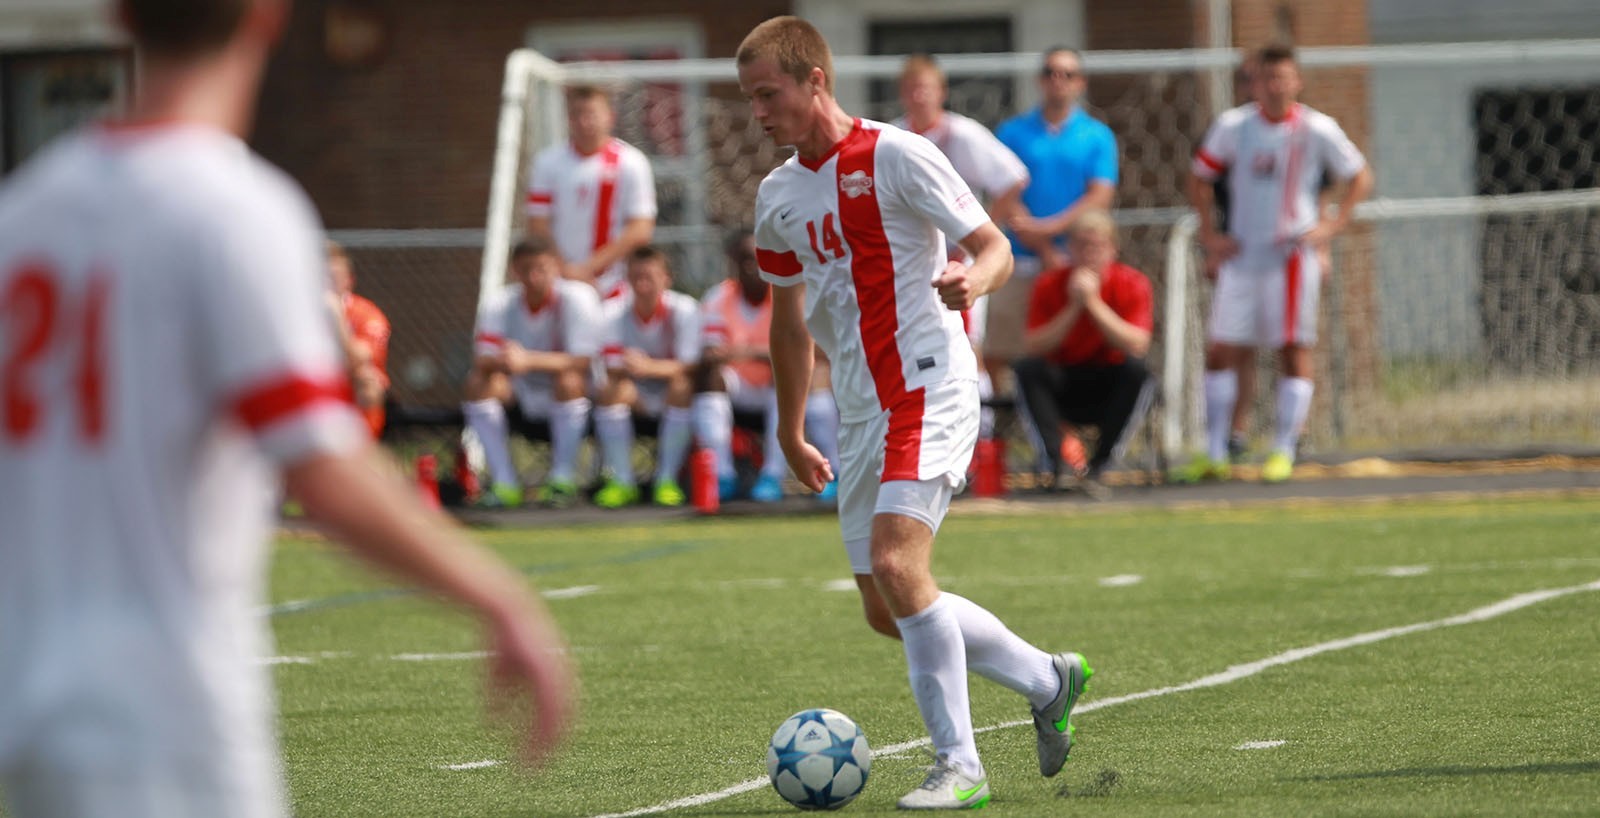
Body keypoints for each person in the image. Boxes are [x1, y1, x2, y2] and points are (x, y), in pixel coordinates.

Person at [0, 2, 574, 816]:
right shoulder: (232, 210)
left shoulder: (26, 214)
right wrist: (497, 597)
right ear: (269, 17)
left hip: (32, 694)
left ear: (118, 15)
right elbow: (322, 465)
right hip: (165, 705)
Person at [737, 16, 1092, 810]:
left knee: (900, 568)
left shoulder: (897, 154)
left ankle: (959, 766)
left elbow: (994, 245)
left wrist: (976, 281)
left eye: (767, 94)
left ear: (815, 80)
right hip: (859, 409)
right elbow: (788, 325)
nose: (757, 113)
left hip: (931, 384)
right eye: (749, 99)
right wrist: (789, 429)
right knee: (884, 606)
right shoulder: (777, 194)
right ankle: (1047, 680)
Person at [1184, 43, 1373, 483]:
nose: (1275, 87)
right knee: (1222, 348)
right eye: (1267, 78)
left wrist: (1332, 226)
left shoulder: (1317, 128)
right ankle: (1216, 450)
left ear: (1297, 82)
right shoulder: (1233, 126)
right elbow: (1199, 177)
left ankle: (1284, 448)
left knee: (1292, 348)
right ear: (1255, 83)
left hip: (1290, 257)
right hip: (1242, 255)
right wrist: (1210, 235)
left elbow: (1359, 175)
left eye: (1283, 78)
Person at [892, 53, 1030, 449]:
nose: (919, 96)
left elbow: (1013, 178)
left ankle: (980, 440)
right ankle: (923, 430)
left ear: (941, 92)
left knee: (969, 342)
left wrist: (982, 235)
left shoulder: (964, 135)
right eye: (912, 89)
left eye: (926, 88)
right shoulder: (895, 139)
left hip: (961, 257)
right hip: (913, 259)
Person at [992, 47, 1118, 375]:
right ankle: (1003, 409)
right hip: (1019, 259)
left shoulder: (1097, 135)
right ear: (1040, 80)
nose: (1058, 80)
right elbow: (1003, 192)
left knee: (1069, 350)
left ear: (1081, 83)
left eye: (1068, 74)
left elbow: (1100, 195)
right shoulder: (1011, 132)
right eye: (1051, 72)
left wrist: (1051, 230)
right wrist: (1044, 246)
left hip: (1076, 262)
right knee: (999, 349)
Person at [1013, 210, 1155, 500]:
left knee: (1137, 371)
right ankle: (1057, 464)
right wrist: (1074, 307)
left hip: (1108, 382)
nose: (1089, 254)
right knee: (1028, 369)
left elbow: (1137, 344)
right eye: (1081, 246)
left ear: (1112, 249)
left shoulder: (1133, 283)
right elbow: (1034, 344)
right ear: (1069, 248)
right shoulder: (1049, 283)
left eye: (1097, 246)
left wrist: (1093, 303)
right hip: (1063, 381)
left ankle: (1101, 464)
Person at [693, 230, 840, 503]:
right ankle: (721, 475)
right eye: (745, 260)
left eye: (759, 259)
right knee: (711, 380)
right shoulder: (718, 297)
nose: (753, 267)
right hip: (741, 388)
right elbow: (711, 353)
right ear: (734, 263)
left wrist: (752, 353)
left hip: (786, 389)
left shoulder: (790, 293)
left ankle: (785, 474)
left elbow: (819, 351)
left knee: (789, 376)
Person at [462, 237, 603, 508]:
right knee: (478, 383)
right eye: (526, 269)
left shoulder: (579, 298)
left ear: (557, 267)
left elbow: (583, 361)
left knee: (570, 381)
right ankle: (504, 483)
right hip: (519, 392)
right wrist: (506, 360)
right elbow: (482, 358)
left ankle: (562, 480)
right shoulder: (499, 302)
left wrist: (528, 360)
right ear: (515, 270)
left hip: (570, 394)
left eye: (541, 269)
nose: (534, 277)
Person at [592, 246, 700, 508]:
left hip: (671, 395)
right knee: (611, 390)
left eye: (649, 277)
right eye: (635, 277)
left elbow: (690, 366)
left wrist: (648, 367)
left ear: (666, 279)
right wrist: (642, 369)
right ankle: (622, 482)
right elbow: (610, 365)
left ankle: (667, 480)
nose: (641, 285)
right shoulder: (612, 311)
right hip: (633, 393)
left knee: (682, 386)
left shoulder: (685, 309)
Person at [525, 84, 657, 299]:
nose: (584, 122)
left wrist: (588, 268)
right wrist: (565, 269)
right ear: (569, 119)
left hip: (616, 283)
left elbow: (641, 229)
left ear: (610, 117)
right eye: (577, 114)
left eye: (591, 114)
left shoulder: (632, 162)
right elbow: (537, 224)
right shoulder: (547, 163)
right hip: (561, 282)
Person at [326, 240, 391, 438]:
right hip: (316, 384)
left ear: (349, 280)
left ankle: (362, 440)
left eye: (334, 277)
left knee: (367, 378)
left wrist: (336, 316)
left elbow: (358, 359)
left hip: (351, 387)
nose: (328, 284)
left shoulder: (368, 314)